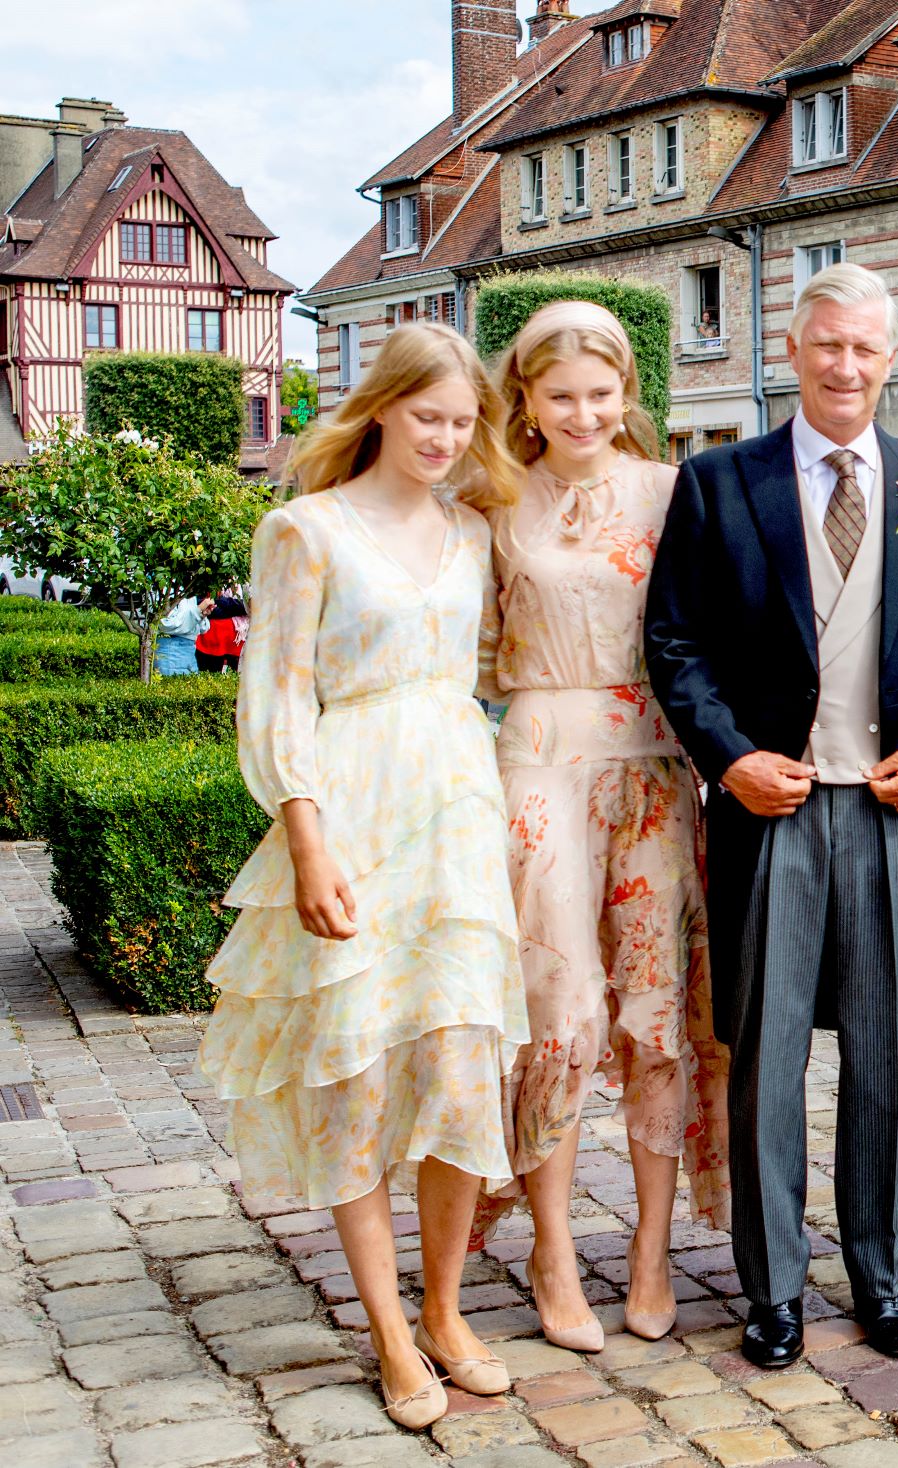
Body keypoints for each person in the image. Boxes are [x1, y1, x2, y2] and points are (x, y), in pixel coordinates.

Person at [646, 262, 898, 1371]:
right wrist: (732, 759)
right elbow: (675, 645)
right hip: (770, 810)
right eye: (827, 345)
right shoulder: (718, 483)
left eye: (866, 350)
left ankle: (882, 1276)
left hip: (889, 810)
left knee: (888, 1056)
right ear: (792, 350)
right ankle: (773, 1285)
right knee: (766, 1057)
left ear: (892, 360)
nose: (846, 367)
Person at [197, 323, 529, 1431]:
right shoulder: (304, 529)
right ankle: (386, 1329)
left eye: (458, 422)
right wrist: (306, 837)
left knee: (455, 1068)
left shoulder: (475, 530)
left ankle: (443, 1310)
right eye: (424, 416)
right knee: (355, 1071)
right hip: (353, 806)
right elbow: (276, 696)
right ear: (379, 407)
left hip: (456, 811)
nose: (442, 439)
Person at [478, 301, 731, 1350]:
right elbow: (466, 644)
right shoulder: (488, 500)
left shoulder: (675, 493)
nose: (583, 411)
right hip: (538, 757)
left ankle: (649, 1250)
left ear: (627, 393)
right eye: (561, 394)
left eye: (601, 391)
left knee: (658, 1007)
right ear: (526, 400)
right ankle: (548, 1251)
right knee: (562, 1008)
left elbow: (717, 632)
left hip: (655, 767)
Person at [195, 591, 248, 672]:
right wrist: (236, 609)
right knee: (210, 678)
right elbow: (201, 605)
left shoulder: (245, 581)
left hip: (239, 639)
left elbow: (249, 605)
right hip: (210, 638)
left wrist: (216, 600)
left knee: (236, 680)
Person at [155, 597, 207, 676]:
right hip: (170, 649)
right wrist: (197, 611)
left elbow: (203, 628)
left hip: (189, 650)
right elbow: (164, 624)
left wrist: (203, 615)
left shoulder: (190, 593)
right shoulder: (167, 592)